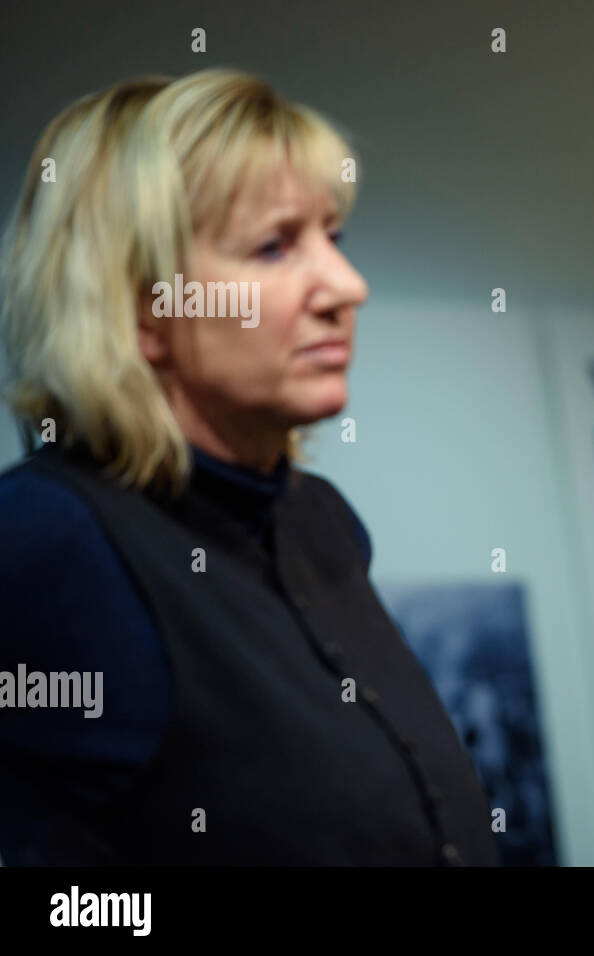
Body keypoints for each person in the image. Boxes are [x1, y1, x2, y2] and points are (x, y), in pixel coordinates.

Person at [0, 70, 495, 865]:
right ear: (140, 304)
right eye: (274, 246)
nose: (346, 287)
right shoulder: (49, 539)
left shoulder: (318, 522)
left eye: (332, 239)